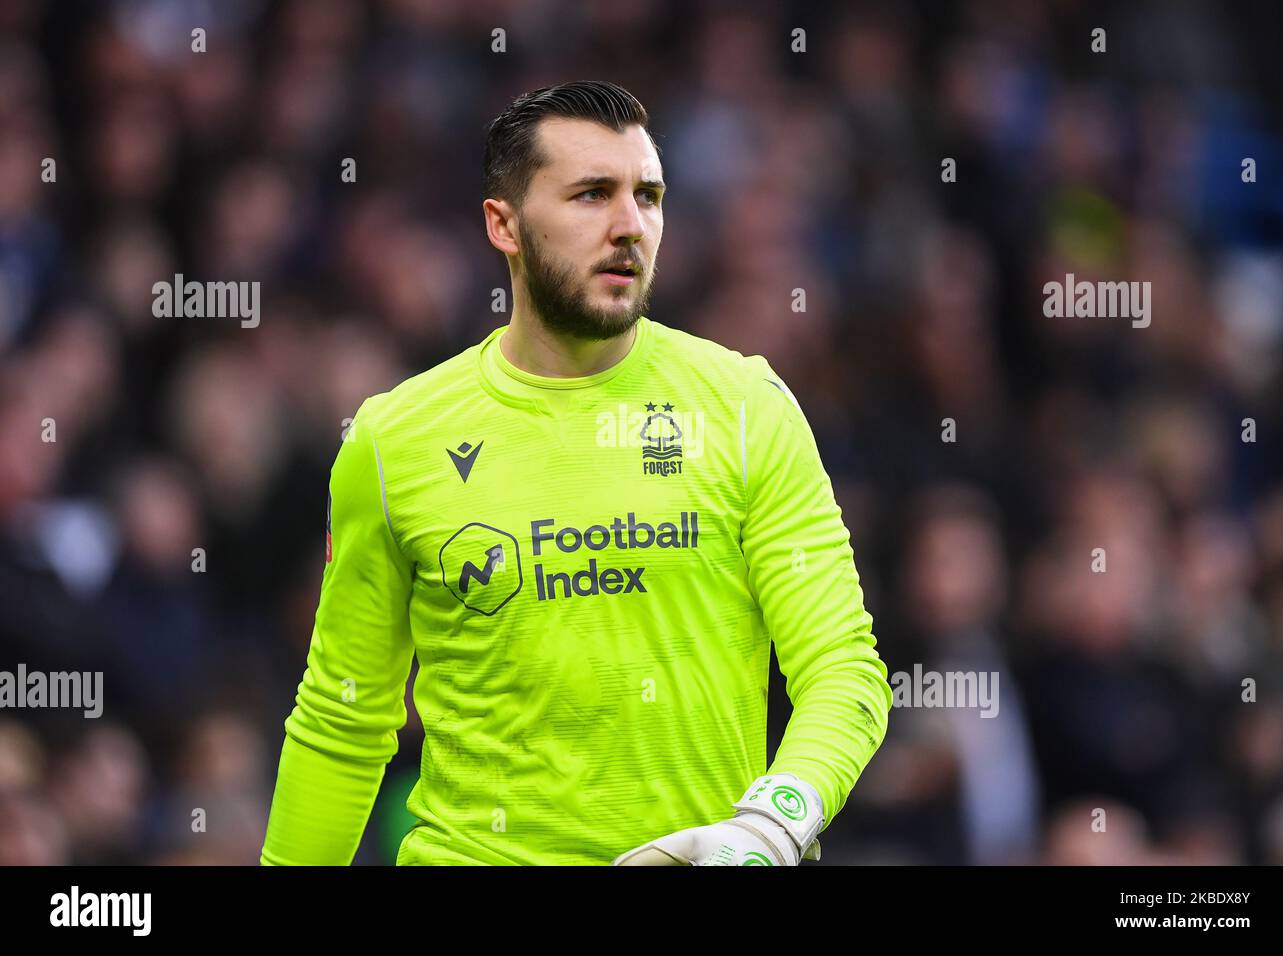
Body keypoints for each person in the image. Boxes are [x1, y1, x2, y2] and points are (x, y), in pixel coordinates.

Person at [260, 80, 890, 866]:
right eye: (593, 195)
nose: (630, 226)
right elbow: (343, 721)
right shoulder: (394, 442)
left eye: (649, 196)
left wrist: (770, 822)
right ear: (504, 224)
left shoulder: (744, 408)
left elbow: (844, 673)